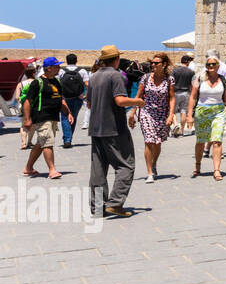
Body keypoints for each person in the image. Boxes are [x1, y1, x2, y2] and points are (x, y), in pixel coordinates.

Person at [87, 45, 145, 218]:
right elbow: (120, 101)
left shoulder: (94, 76)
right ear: (116, 59)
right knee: (126, 165)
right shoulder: (116, 75)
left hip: (96, 128)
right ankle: (115, 203)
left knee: (98, 170)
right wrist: (137, 102)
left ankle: (97, 208)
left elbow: (89, 103)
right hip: (114, 128)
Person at [186, 54, 226, 180]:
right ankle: (197, 166)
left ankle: (217, 170)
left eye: (213, 64)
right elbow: (192, 97)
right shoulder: (200, 78)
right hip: (202, 111)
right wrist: (189, 115)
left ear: (218, 66)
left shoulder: (224, 80)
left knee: (217, 140)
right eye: (208, 64)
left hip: (218, 111)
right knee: (201, 141)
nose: (211, 66)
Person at [22, 58, 70, 179]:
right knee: (48, 142)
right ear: (48, 68)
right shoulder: (37, 82)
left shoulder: (57, 82)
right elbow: (28, 101)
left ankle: (28, 168)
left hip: (54, 116)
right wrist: (27, 119)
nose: (59, 68)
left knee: (41, 143)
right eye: (56, 66)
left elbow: (61, 99)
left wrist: (68, 113)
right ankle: (52, 170)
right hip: (42, 117)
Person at [130, 54, 175, 183]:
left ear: (164, 64)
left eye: (156, 63)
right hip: (146, 112)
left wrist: (171, 114)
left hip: (161, 114)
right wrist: (133, 112)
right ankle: (149, 172)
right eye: (153, 63)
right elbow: (138, 97)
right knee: (149, 141)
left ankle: (154, 164)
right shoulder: (145, 78)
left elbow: (172, 98)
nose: (153, 65)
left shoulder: (169, 80)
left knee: (157, 142)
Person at [58, 53, 89, 148]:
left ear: (67, 61)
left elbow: (58, 85)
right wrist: (86, 95)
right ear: (76, 61)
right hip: (78, 98)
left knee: (64, 117)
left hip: (64, 98)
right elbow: (87, 85)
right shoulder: (82, 71)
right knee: (73, 117)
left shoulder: (61, 71)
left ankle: (67, 139)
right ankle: (69, 138)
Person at [171, 54, 195, 137]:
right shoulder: (191, 72)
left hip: (175, 92)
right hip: (186, 93)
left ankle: (175, 124)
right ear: (187, 62)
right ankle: (181, 131)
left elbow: (171, 82)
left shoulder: (175, 70)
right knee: (184, 111)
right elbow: (192, 85)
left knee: (172, 111)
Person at [15, 64, 37, 150]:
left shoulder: (20, 84)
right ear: (34, 73)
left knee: (23, 125)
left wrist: (22, 100)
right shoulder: (37, 82)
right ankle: (29, 142)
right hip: (34, 106)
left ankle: (23, 143)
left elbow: (17, 97)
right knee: (33, 125)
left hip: (23, 107)